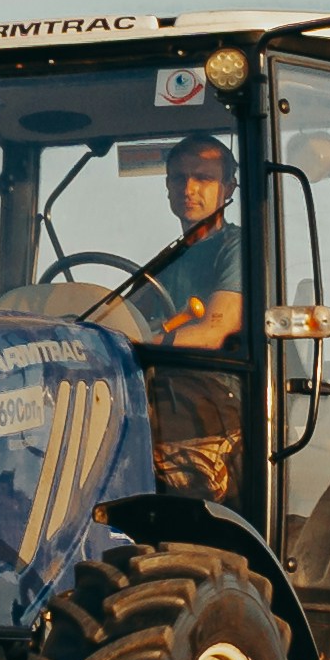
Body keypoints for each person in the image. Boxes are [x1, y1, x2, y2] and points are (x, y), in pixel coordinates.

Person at [98, 132, 253, 492]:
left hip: (215, 396)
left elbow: (214, 333)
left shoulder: (237, 247)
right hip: (166, 390)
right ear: (167, 186)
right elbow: (123, 319)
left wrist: (138, 343)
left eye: (204, 178)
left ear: (228, 189)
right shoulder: (167, 261)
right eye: (179, 177)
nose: (189, 187)